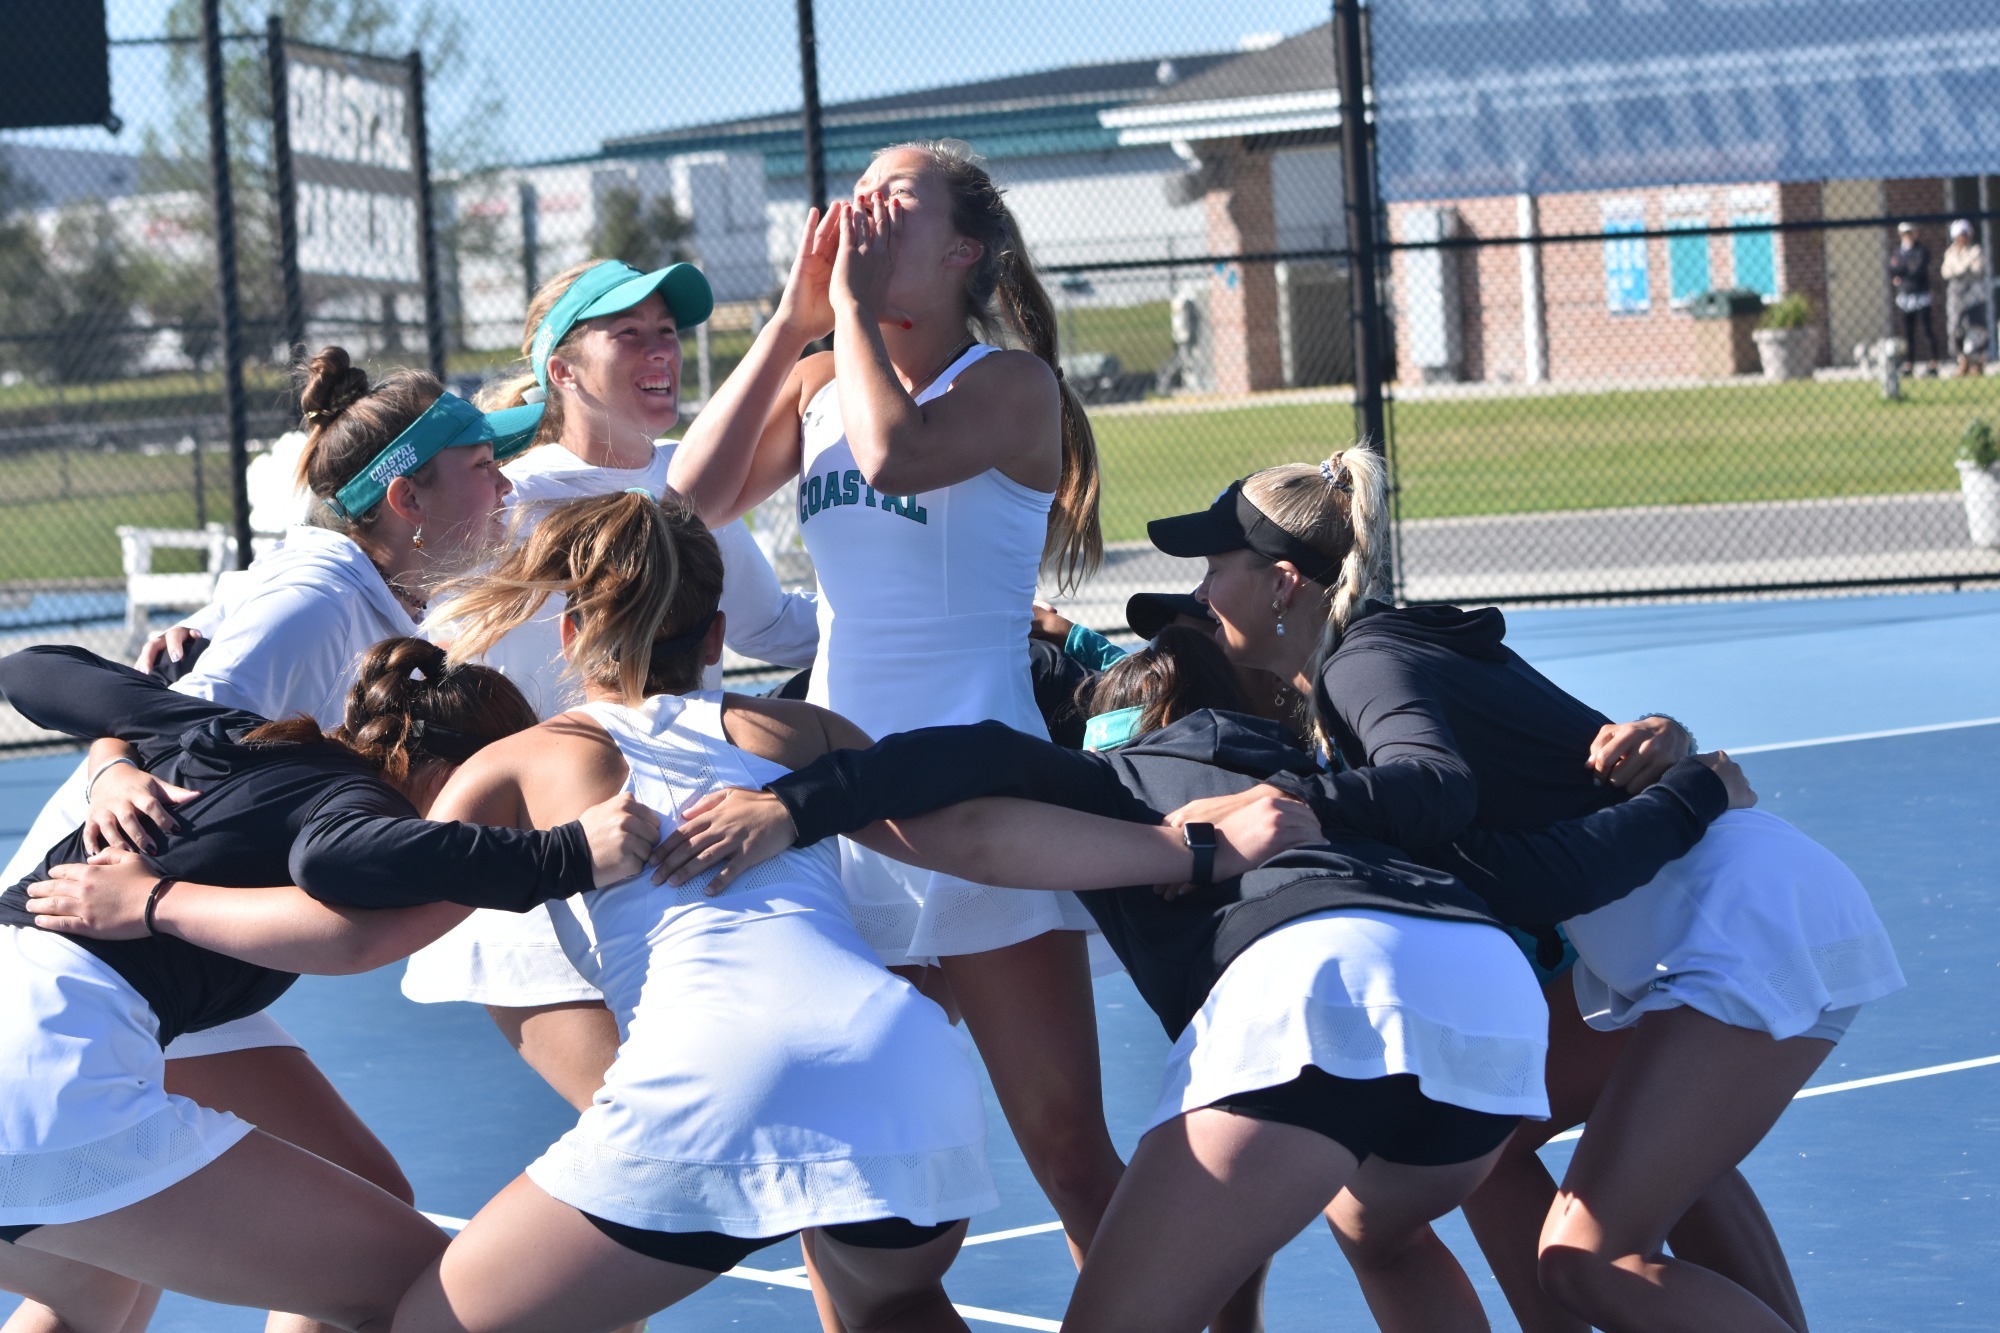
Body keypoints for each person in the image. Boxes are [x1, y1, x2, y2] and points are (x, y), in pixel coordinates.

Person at [648, 624, 1753, 1332]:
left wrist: (794, 803)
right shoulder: (1317, 771)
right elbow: (1549, 868)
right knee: (1377, 1227)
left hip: (1316, 980)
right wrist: (1692, 792)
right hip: (1479, 990)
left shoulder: (1103, 771)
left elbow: (954, 770)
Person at [1143, 450, 1907, 1331]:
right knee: (1489, 1122)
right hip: (1706, 924)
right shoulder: (1375, 660)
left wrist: (1279, 807)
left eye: (1213, 569)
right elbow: (1576, 782)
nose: (1200, 595)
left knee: (1591, 1260)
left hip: (1743, 927)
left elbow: (1484, 829)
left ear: (1282, 584)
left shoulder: (1364, 667)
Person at [666, 138, 1137, 1302]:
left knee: (1068, 1151)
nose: (862, 214)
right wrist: (788, 327)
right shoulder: (821, 376)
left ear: (962, 250)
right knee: (852, 1169)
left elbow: (894, 453)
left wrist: (845, 320)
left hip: (981, 808)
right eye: (857, 194)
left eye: (897, 201)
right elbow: (694, 499)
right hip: (843, 811)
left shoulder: (1009, 387)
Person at [0, 350, 537, 1333]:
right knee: (392, 1277)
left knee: (103, 1283)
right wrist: (115, 767)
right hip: (102, 948)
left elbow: (165, 716)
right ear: (407, 496)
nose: (507, 483)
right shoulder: (318, 608)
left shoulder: (352, 594)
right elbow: (189, 745)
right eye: (483, 466)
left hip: (103, 965)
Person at [0, 637, 657, 1333]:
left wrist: (118, 748)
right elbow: (335, 856)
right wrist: (571, 852)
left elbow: (29, 670)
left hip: (35, 1031)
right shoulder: (354, 800)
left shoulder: (225, 734)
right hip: (45, 1077)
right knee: (428, 1298)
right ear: (445, 773)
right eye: (497, 790)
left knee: (94, 1296)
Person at [402, 257, 821, 1132]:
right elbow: (390, 589)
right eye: (627, 334)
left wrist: (950, 609)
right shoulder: (504, 495)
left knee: (742, 1143)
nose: (657, 349)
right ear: (563, 370)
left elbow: (775, 628)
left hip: (680, 861)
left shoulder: (692, 479)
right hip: (539, 863)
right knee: (653, 1140)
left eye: (666, 332)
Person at [1890, 221, 1939, 374]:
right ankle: (1909, 364)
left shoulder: (1921, 250)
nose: (1908, 236)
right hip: (1905, 295)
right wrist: (1903, 270)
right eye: (1905, 234)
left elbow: (1916, 269)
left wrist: (1902, 272)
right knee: (1907, 332)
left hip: (1921, 293)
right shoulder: (1898, 251)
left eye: (1910, 233)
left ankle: (1933, 363)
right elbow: (1892, 268)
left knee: (1926, 330)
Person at [1942, 219, 1988, 377]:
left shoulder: (1975, 250)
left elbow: (1976, 269)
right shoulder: (1950, 252)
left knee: (1974, 328)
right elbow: (1946, 271)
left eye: (1964, 235)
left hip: (1973, 296)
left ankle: (1976, 362)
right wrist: (1963, 268)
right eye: (1959, 235)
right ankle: (1962, 361)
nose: (1961, 238)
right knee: (1955, 329)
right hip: (1956, 296)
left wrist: (1959, 269)